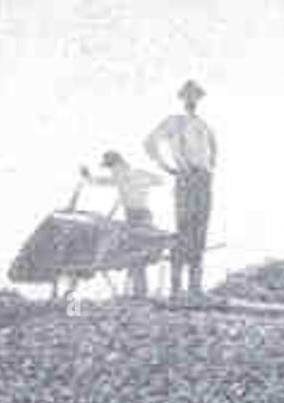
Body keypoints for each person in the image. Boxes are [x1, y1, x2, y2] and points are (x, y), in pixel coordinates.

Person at [144, 79, 217, 299]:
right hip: (186, 179)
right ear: (182, 99)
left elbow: (214, 150)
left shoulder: (204, 125)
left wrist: (209, 168)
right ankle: (176, 288)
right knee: (184, 231)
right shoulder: (174, 122)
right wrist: (166, 166)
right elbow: (149, 142)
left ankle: (195, 287)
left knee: (200, 232)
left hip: (203, 180)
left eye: (195, 97)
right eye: (188, 97)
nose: (191, 100)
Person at [81, 150, 163, 298]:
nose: (111, 171)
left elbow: (158, 180)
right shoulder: (129, 174)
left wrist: (88, 177)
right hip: (136, 215)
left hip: (139, 216)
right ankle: (138, 292)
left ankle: (139, 292)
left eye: (112, 167)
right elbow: (159, 180)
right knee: (135, 253)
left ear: (119, 164)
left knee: (136, 252)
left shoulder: (124, 175)